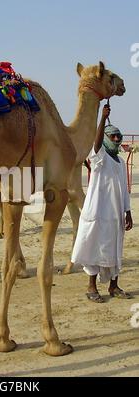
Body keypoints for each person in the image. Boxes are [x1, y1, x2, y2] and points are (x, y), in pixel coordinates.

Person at [71, 104, 133, 303]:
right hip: (98, 213)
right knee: (94, 247)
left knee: (115, 249)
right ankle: (92, 287)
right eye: (112, 136)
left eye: (118, 136)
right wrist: (102, 117)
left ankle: (114, 286)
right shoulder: (99, 157)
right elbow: (96, 145)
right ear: (106, 138)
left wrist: (128, 211)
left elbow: (124, 189)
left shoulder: (120, 162)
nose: (116, 139)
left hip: (115, 215)